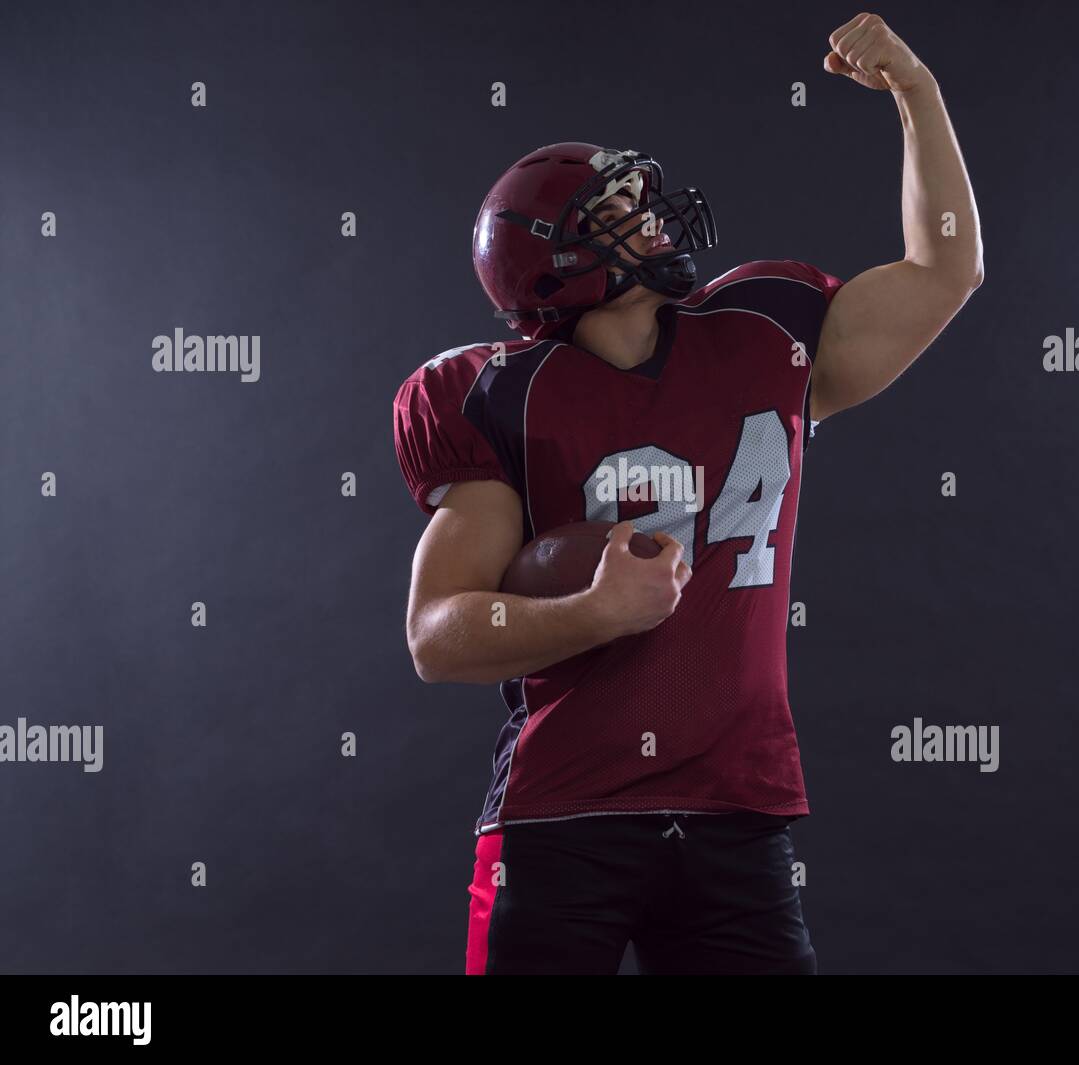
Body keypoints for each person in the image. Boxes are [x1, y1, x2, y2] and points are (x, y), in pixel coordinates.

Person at [393, 13, 983, 974]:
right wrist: (594, 612)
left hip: (733, 812)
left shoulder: (762, 333)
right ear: (563, 259)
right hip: (562, 813)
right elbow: (435, 633)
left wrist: (918, 93)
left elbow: (944, 269)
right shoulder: (501, 393)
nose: (656, 215)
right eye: (621, 210)